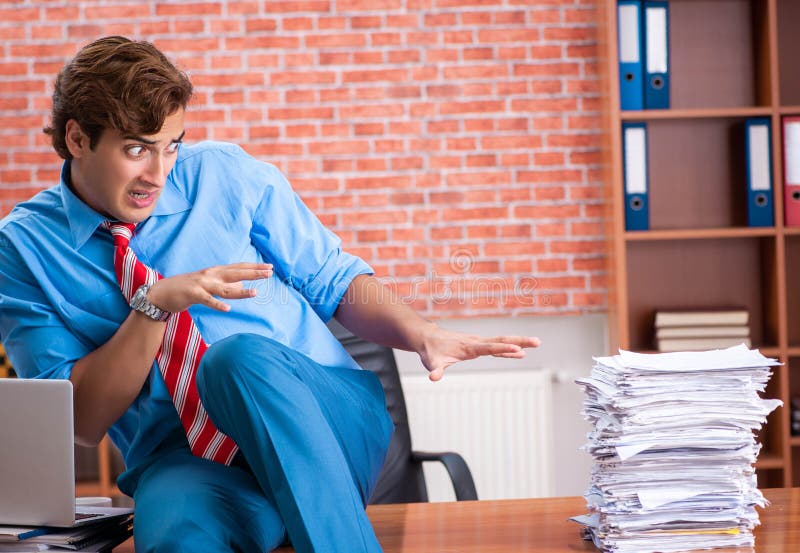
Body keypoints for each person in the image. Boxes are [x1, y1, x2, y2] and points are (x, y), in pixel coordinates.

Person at [0, 36, 540, 553]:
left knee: (233, 361)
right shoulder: (22, 248)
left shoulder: (225, 175)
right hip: (188, 457)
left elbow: (332, 276)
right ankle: (286, 504)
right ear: (76, 139)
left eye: (171, 147)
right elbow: (83, 421)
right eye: (137, 150)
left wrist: (422, 333)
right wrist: (155, 306)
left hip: (326, 420)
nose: (159, 173)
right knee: (174, 535)